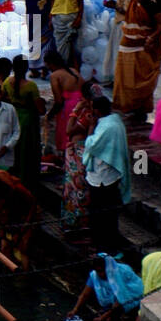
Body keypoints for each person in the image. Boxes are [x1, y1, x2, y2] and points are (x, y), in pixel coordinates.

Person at [113, 0, 161, 122]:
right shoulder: (133, 4)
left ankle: (139, 108)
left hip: (143, 47)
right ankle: (128, 105)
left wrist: (152, 37)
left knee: (140, 79)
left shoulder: (151, 6)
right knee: (126, 78)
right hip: (128, 46)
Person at [83, 97, 131, 254]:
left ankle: (105, 247)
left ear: (97, 111)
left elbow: (91, 145)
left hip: (103, 177)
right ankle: (106, 245)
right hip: (110, 175)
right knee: (108, 214)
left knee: (102, 215)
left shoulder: (107, 127)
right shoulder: (115, 122)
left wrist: (91, 127)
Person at [2, 55, 44, 191]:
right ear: (26, 68)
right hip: (28, 121)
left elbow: (3, 97)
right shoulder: (31, 86)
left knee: (16, 150)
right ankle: (27, 180)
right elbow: (40, 109)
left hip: (14, 117)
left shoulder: (7, 82)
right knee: (28, 151)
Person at [60, 92, 94, 238]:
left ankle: (75, 225)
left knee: (77, 190)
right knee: (73, 190)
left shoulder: (87, 115)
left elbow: (68, 130)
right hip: (76, 154)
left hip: (79, 155)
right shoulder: (87, 113)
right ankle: (72, 224)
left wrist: (75, 110)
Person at [47, 0, 86, 67]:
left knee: (72, 45)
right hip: (58, 18)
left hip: (71, 18)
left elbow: (80, 1)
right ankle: (62, 65)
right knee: (59, 44)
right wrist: (51, 16)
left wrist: (79, 18)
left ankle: (71, 67)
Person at [102, 0, 137, 86]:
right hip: (119, 24)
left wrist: (114, 6)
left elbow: (127, 11)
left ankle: (118, 78)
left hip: (122, 25)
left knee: (117, 52)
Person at [44, 50, 83, 155]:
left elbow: (59, 101)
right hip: (82, 106)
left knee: (67, 137)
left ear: (51, 64)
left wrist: (50, 115)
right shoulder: (74, 71)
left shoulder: (55, 76)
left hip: (68, 109)